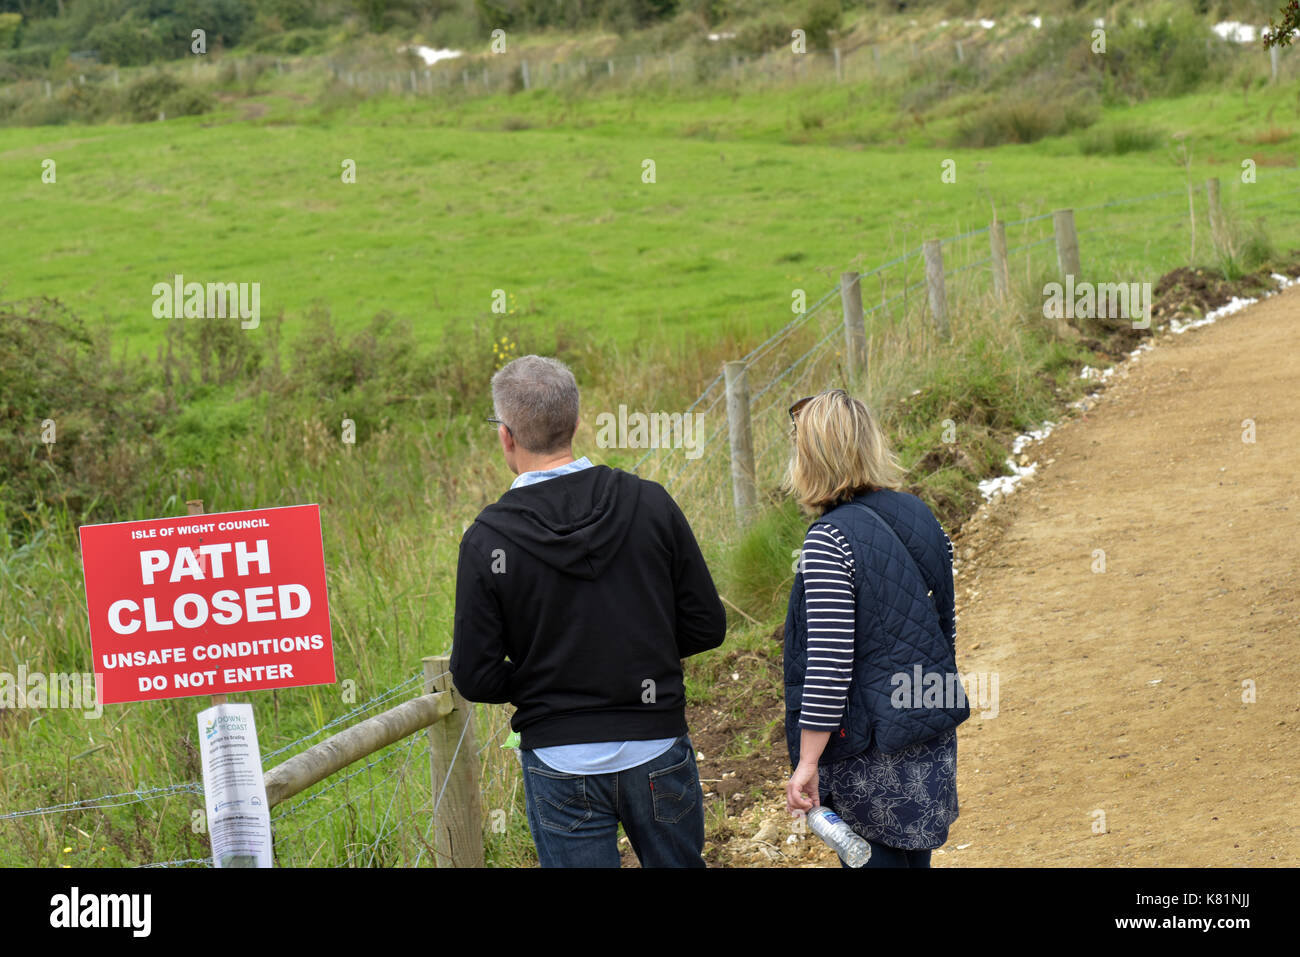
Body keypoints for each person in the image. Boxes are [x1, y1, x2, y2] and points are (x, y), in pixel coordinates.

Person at [450, 354, 727, 867]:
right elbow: (706, 625)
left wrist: (542, 680)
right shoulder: (649, 502)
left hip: (561, 758)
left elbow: (475, 676)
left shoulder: (488, 539)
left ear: (506, 436)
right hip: (656, 744)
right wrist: (640, 653)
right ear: (577, 423)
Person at [782, 389, 969, 868]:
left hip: (869, 751)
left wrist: (806, 764)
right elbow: (943, 625)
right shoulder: (921, 514)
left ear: (809, 458)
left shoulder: (827, 541)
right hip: (929, 726)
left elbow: (829, 664)